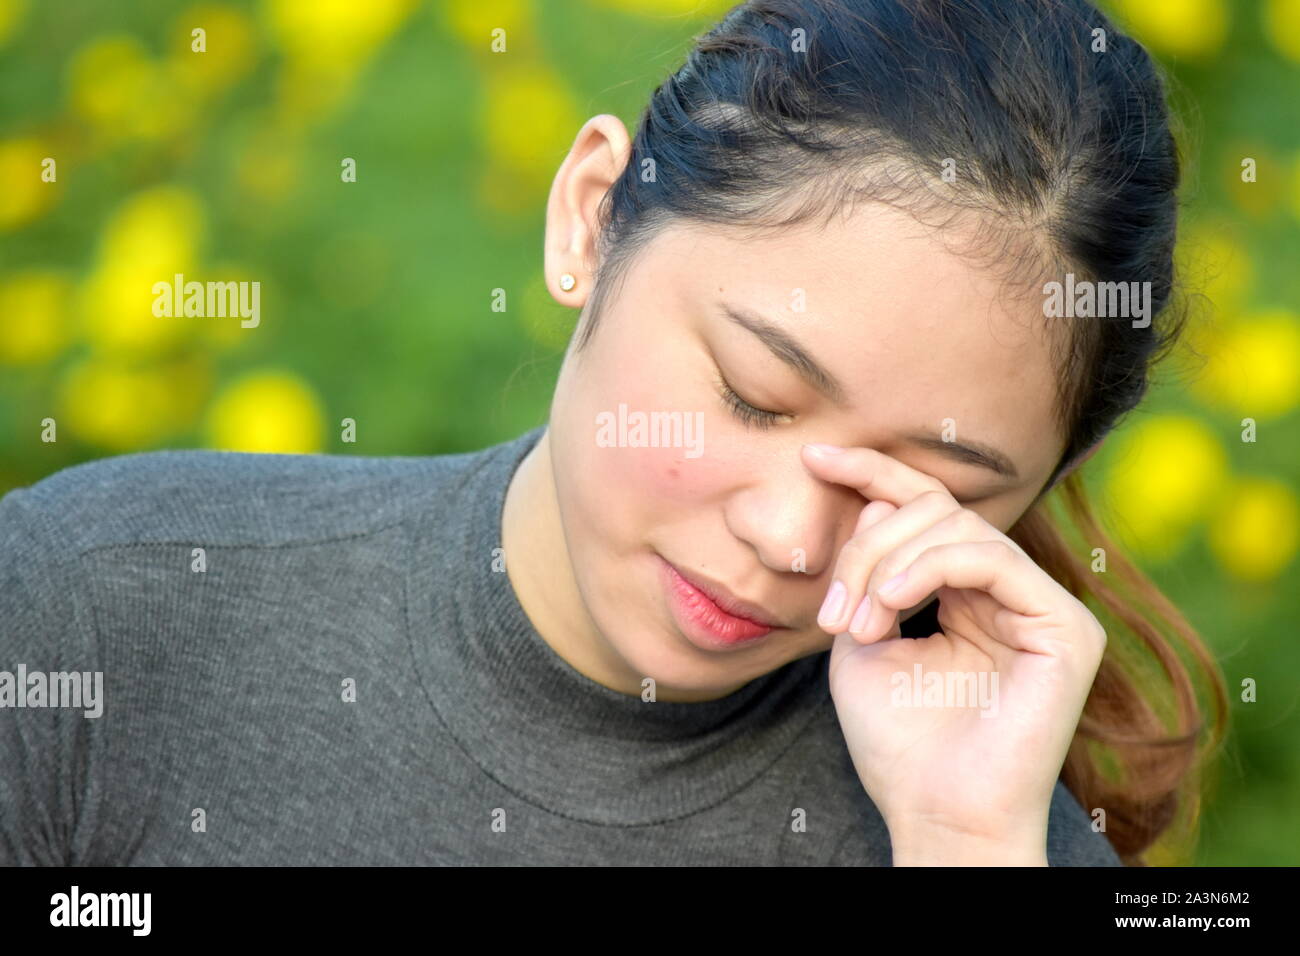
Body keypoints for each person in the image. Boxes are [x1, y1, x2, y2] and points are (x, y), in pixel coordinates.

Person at [0, 0, 1225, 866]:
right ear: (591, 219)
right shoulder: (96, 616)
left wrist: (961, 844)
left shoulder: (984, 827)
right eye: (753, 391)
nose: (792, 539)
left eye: (926, 486)